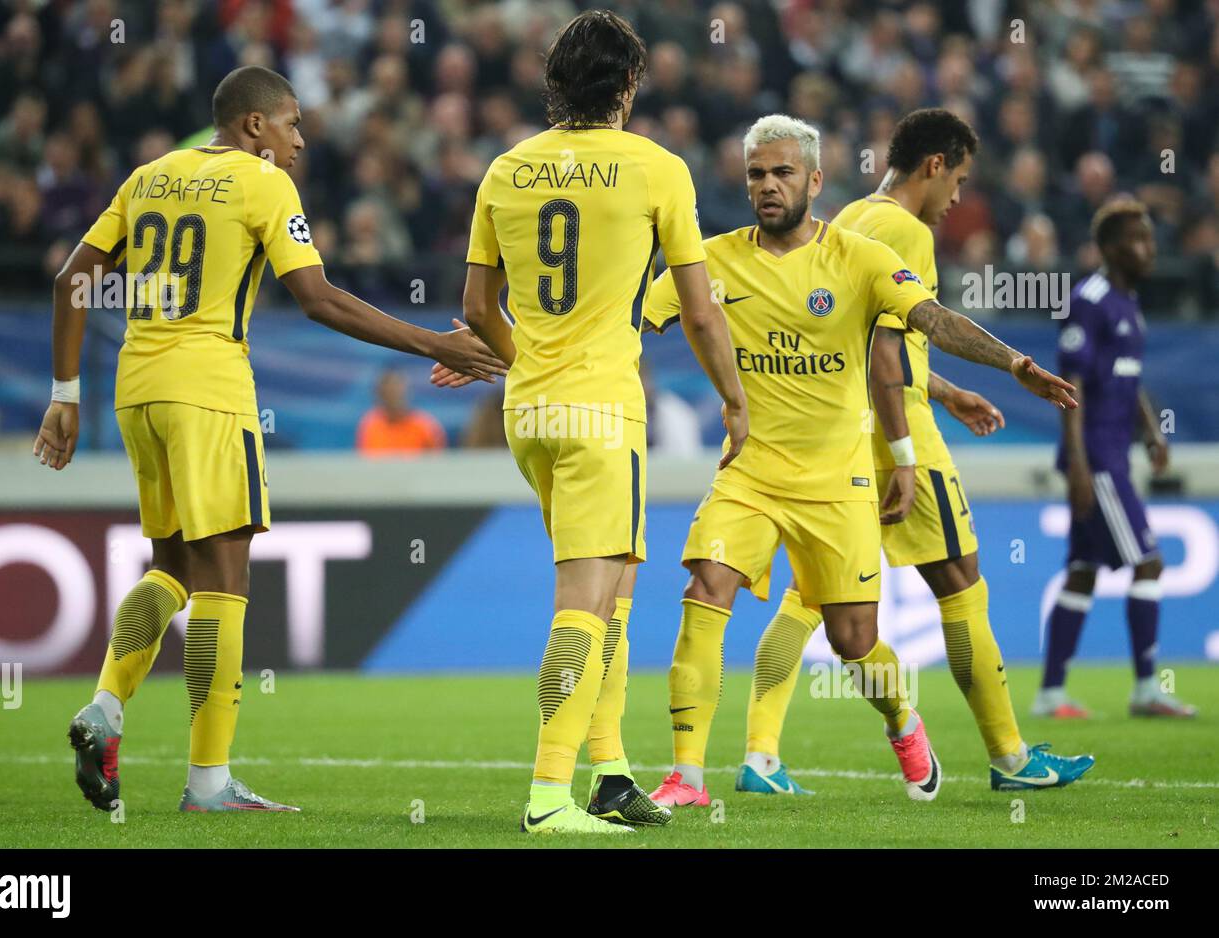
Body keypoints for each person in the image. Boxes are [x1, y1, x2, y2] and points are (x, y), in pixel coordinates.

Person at [34, 65, 504, 814]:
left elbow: (71, 280)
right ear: (254, 126)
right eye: (291, 123)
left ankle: (107, 707)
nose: (300, 140)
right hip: (212, 392)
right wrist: (431, 344)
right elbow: (317, 299)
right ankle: (209, 783)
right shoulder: (262, 183)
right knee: (226, 580)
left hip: (138, 391)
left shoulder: (148, 177)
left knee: (173, 568)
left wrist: (64, 396)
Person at [638, 113, 1079, 809]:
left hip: (839, 481)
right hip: (749, 471)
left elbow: (931, 323)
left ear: (815, 180)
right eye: (757, 174)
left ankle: (903, 720)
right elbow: (632, 320)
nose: (768, 186)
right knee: (705, 588)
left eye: (783, 172)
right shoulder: (711, 259)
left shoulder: (860, 257)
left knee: (852, 641)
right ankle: (686, 776)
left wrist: (1014, 363)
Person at [444, 9, 748, 834]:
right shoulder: (657, 169)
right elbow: (699, 310)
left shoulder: (506, 168)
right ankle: (549, 796)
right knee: (584, 602)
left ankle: (609, 773)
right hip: (602, 411)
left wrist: (520, 361)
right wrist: (732, 398)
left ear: (553, 86)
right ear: (629, 86)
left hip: (528, 411)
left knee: (613, 590)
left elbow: (476, 305)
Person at [1036, 198, 1197, 720]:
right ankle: (1147, 689)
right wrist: (1079, 464)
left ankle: (1050, 694)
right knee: (1148, 562)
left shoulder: (1128, 303)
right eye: (1136, 239)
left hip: (1113, 456)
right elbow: (1072, 385)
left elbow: (1128, 378)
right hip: (1097, 461)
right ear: (1108, 248)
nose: (1148, 248)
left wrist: (1150, 432)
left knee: (1083, 571)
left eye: (1149, 238)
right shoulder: (1090, 300)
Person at [356, 369, 447, 456]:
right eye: (389, 391)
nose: (394, 394)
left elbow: (436, 463)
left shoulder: (425, 426)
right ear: (380, 394)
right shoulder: (370, 424)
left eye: (397, 389)